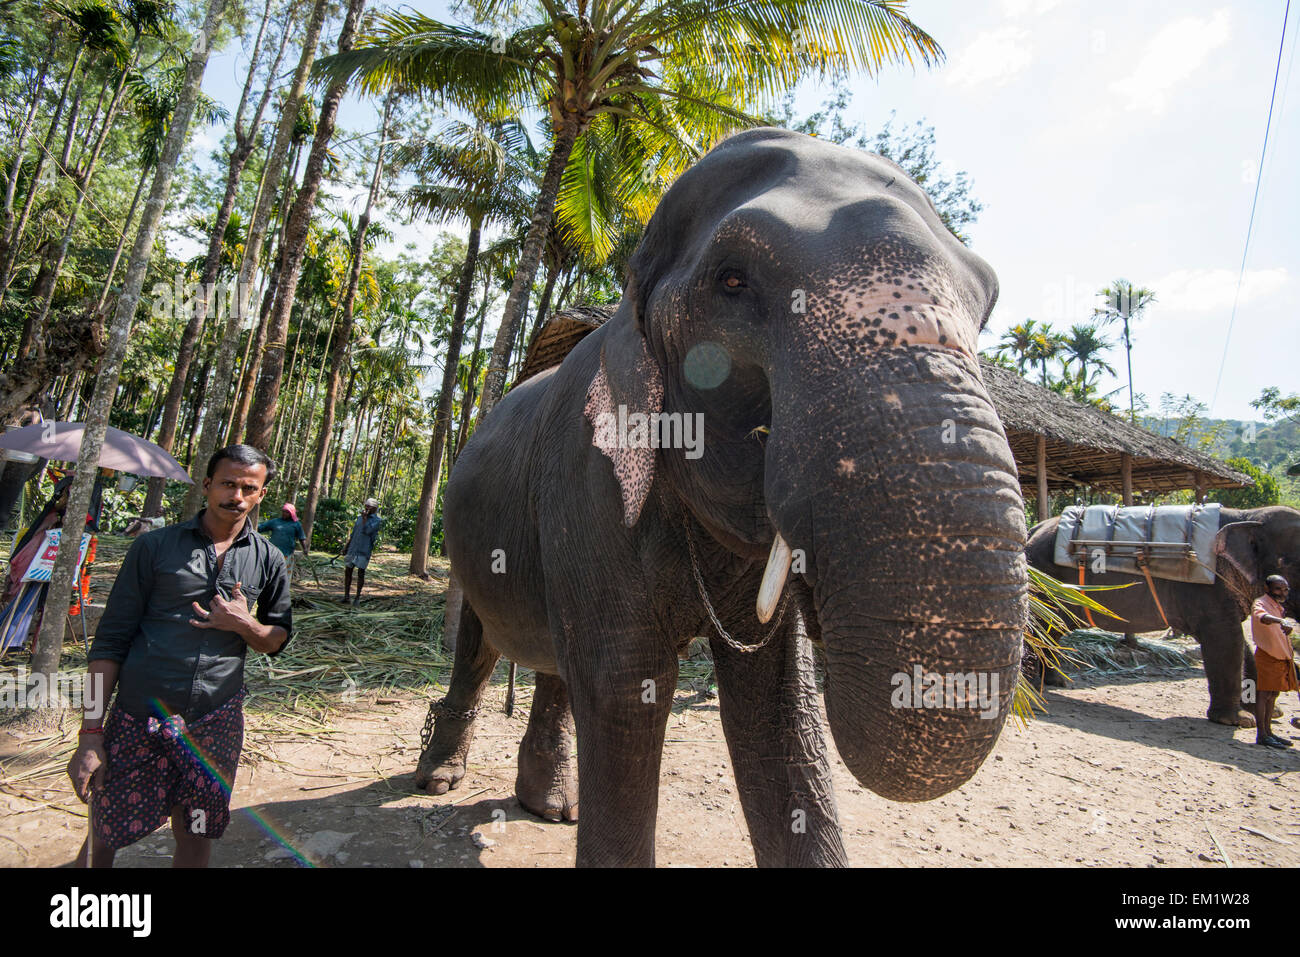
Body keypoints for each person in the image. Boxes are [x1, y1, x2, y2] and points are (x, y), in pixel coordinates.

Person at [66, 444, 291, 867]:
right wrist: (90, 734)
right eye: (228, 484)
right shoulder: (154, 548)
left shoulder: (269, 560)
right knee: (104, 831)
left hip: (214, 722)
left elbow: (276, 639)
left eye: (249, 488)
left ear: (261, 495)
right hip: (138, 716)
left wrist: (245, 625)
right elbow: (110, 642)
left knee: (196, 832)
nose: (236, 497)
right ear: (207, 485)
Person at [1251, 574, 1296, 749]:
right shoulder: (1261, 603)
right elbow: (1261, 616)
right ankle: (1261, 734)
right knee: (1263, 695)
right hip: (1267, 655)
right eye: (1278, 589)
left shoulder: (1277, 606)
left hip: (1281, 656)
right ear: (1267, 589)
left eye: (1285, 589)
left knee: (1273, 695)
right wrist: (1281, 620)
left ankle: (1269, 733)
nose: (1282, 592)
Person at [343, 498, 382, 605]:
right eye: (366, 505)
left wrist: (365, 519)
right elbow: (354, 533)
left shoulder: (377, 520)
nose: (366, 508)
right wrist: (346, 546)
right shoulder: (359, 518)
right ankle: (346, 596)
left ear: (374, 508)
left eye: (369, 506)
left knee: (361, 573)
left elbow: (368, 531)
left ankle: (357, 597)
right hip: (353, 548)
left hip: (364, 550)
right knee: (348, 571)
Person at [258, 502, 308, 578]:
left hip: (287, 553)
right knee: (270, 571)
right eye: (283, 511)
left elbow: (302, 537)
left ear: (291, 514)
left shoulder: (296, 524)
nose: (284, 514)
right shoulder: (275, 522)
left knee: (283, 573)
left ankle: (282, 588)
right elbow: (260, 528)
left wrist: (305, 549)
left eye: (287, 512)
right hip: (273, 552)